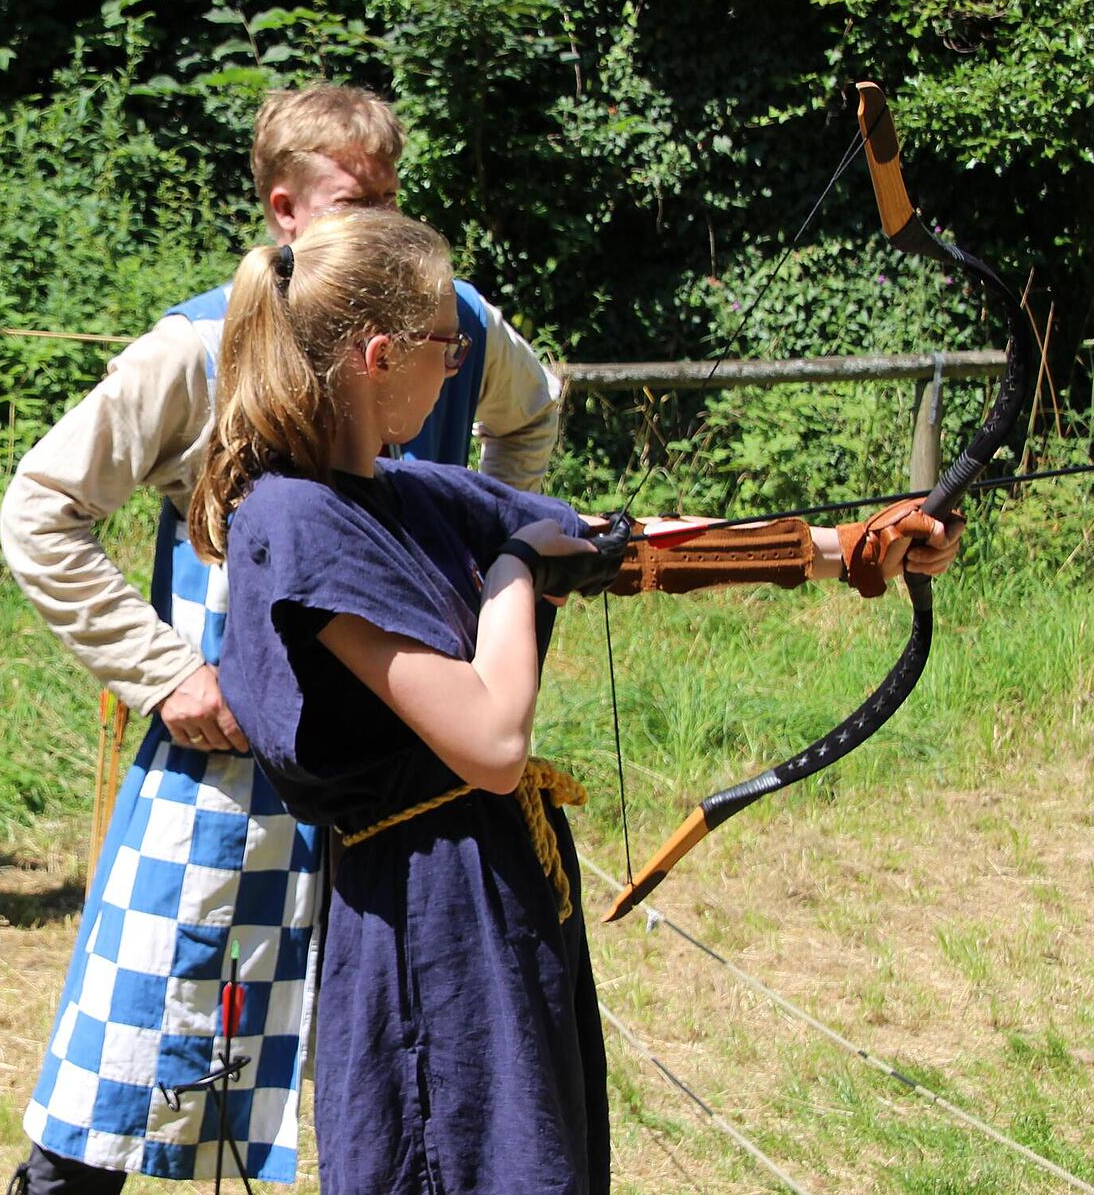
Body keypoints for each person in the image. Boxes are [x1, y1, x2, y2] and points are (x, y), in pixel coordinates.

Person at [193, 208, 964, 1191]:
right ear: (379, 356)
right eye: (445, 343)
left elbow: (621, 545)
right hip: (423, 914)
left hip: (497, 889)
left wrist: (853, 545)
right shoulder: (293, 523)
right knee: (463, 1159)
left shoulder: (416, 490)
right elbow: (488, 737)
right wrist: (515, 569)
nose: (454, 362)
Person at [0, 85, 562, 1189]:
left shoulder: (455, 327)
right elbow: (39, 510)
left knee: (391, 1071)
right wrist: (164, 671)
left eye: (393, 199)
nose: (383, 225)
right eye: (356, 200)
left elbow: (530, 418)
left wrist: (466, 558)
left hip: (403, 769)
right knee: (137, 1059)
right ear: (283, 210)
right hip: (235, 761)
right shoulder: (195, 346)